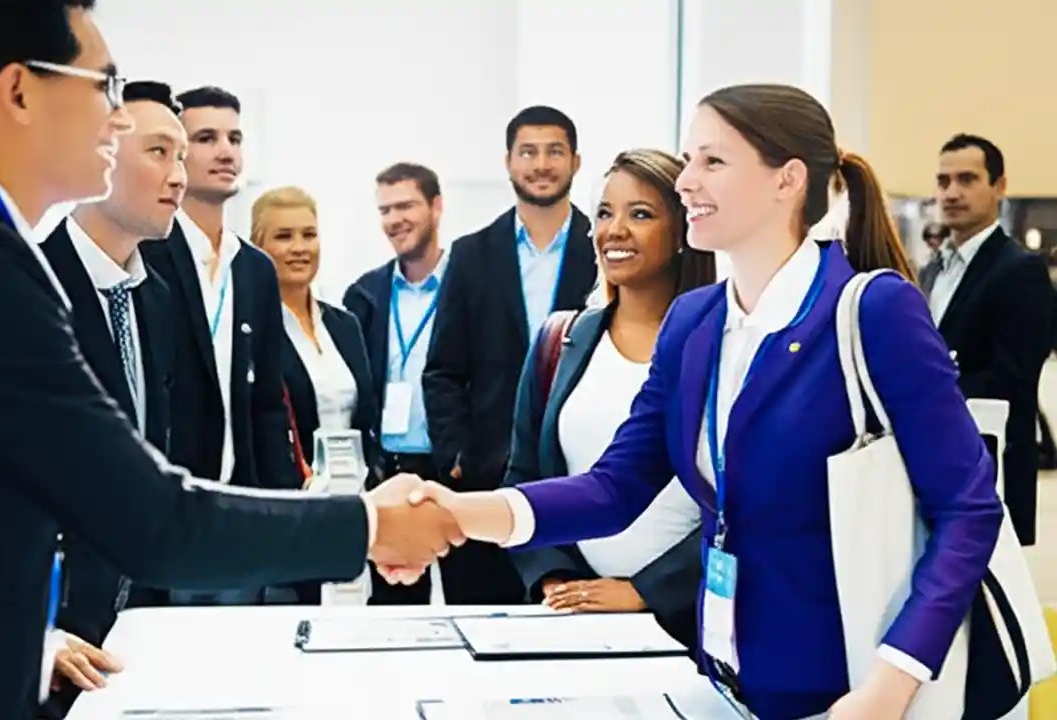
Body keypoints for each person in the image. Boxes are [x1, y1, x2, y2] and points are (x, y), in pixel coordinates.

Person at [0, 3, 460, 717]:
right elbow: (151, 517)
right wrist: (369, 525)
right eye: (104, 86)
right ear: (19, 92)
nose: (115, 118)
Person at [401, 84, 1004, 720]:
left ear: (787, 180)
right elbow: (616, 487)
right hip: (724, 677)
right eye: (689, 159)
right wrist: (460, 514)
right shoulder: (695, 322)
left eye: (712, 161)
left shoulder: (872, 310)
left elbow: (968, 510)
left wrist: (890, 685)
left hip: (850, 688)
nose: (686, 181)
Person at [504, 150, 714, 651]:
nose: (614, 230)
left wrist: (645, 591)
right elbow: (524, 473)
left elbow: (746, 506)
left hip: (693, 623)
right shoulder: (562, 339)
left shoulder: (724, 343)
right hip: (579, 623)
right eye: (604, 213)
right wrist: (553, 576)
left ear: (685, 229)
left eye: (640, 214)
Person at [36, 79, 185, 713]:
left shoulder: (156, 298)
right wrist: (35, 635)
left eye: (181, 156)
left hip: (141, 628)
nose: (179, 176)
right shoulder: (31, 289)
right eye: (159, 152)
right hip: (51, 642)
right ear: (104, 156)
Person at [421, 106, 596, 604]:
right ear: (508, 162)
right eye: (528, 152)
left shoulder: (604, 245)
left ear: (576, 161)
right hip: (485, 476)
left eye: (554, 151)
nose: (541, 164)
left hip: (581, 472)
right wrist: (455, 455)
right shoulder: (472, 254)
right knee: (480, 620)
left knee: (570, 627)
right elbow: (443, 369)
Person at [140, 85, 303, 605]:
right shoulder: (145, 255)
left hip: (242, 515)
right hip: (167, 517)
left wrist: (285, 522)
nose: (226, 151)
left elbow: (267, 405)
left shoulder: (253, 267)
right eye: (206, 138)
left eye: (235, 137)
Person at [250, 186, 380, 604]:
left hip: (358, 505)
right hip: (294, 512)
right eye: (283, 237)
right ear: (258, 246)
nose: (299, 248)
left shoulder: (344, 324)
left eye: (309, 235)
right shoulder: (252, 331)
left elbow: (367, 416)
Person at [928, 133, 1054, 546]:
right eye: (944, 181)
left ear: (999, 186)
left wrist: (919, 396)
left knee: (983, 608)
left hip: (987, 468)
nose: (952, 192)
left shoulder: (1020, 270)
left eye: (967, 179)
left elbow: (1012, 380)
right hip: (934, 462)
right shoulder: (933, 270)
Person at [343, 162, 451, 604]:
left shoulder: (469, 285)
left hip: (452, 467)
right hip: (388, 468)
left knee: (476, 594)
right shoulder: (364, 294)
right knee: (394, 603)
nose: (394, 219)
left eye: (405, 205)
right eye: (385, 210)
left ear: (437, 207)